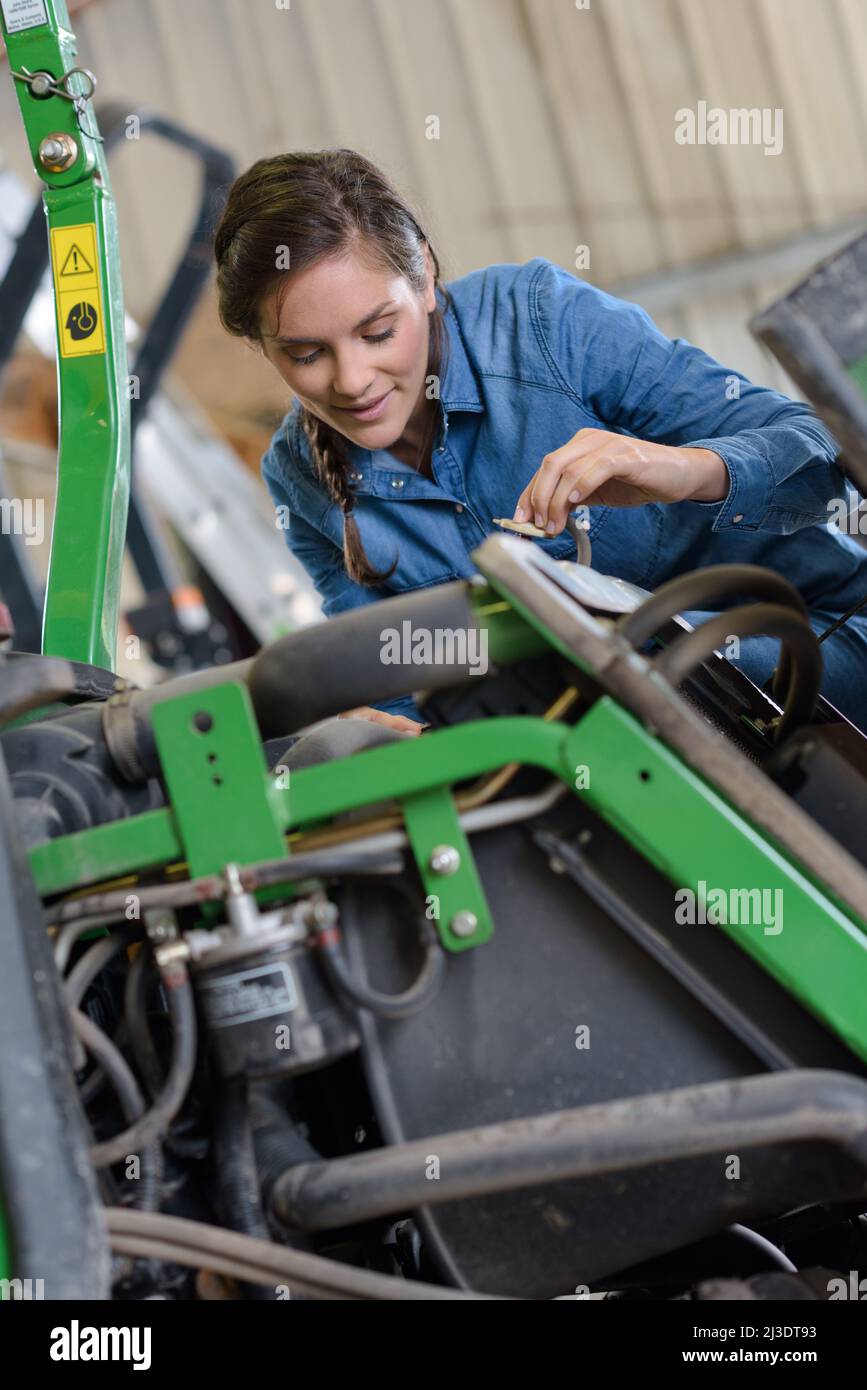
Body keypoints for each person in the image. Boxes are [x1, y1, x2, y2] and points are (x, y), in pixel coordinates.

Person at [213, 148, 867, 733]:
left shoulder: (541, 322)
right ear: (260, 347)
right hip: (614, 734)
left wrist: (677, 468)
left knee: (635, 666)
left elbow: (818, 450)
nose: (352, 380)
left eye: (378, 332)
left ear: (425, 279)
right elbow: (404, 671)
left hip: (821, 653)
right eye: (305, 354)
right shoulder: (300, 480)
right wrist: (386, 729)